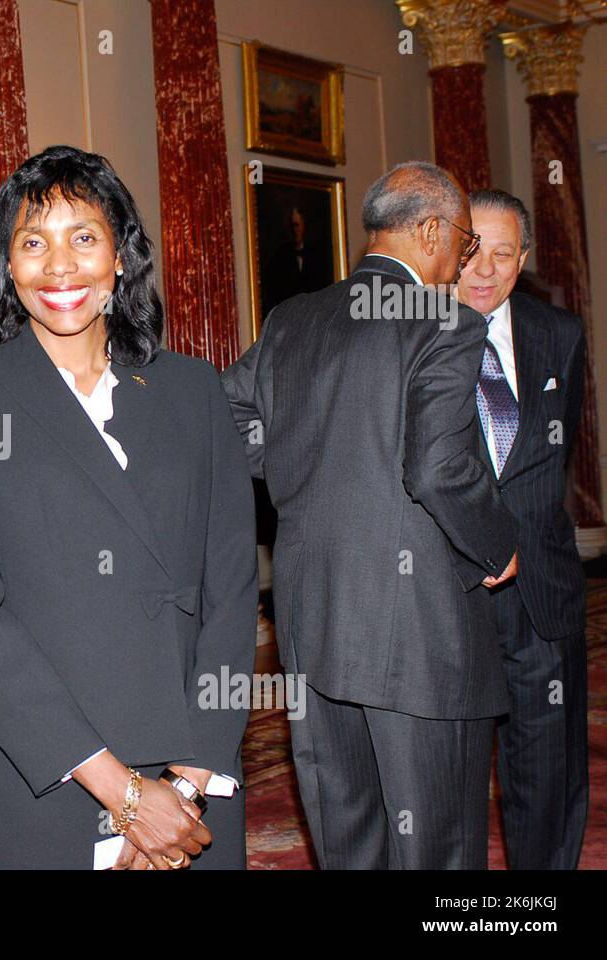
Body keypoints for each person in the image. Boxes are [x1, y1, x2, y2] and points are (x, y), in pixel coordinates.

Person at [0, 145, 258, 870]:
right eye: (33, 243)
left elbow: (232, 590)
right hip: (44, 769)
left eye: (84, 237)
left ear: (121, 256)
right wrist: (124, 795)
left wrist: (185, 785)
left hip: (189, 762)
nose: (60, 266)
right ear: (7, 266)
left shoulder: (195, 390)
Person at [221, 161, 519, 869]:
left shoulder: (294, 318)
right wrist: (496, 546)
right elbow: (438, 467)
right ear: (431, 232)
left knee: (347, 839)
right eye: (465, 244)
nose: (464, 263)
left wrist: (300, 470)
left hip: (313, 621)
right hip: (421, 634)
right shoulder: (446, 321)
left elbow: (225, 421)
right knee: (438, 852)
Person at [456, 188, 588, 869]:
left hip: (541, 589)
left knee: (548, 772)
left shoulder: (560, 334)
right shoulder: (407, 336)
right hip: (449, 595)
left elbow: (555, 455)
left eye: (503, 254)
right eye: (472, 251)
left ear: (524, 258)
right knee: (447, 781)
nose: (485, 269)